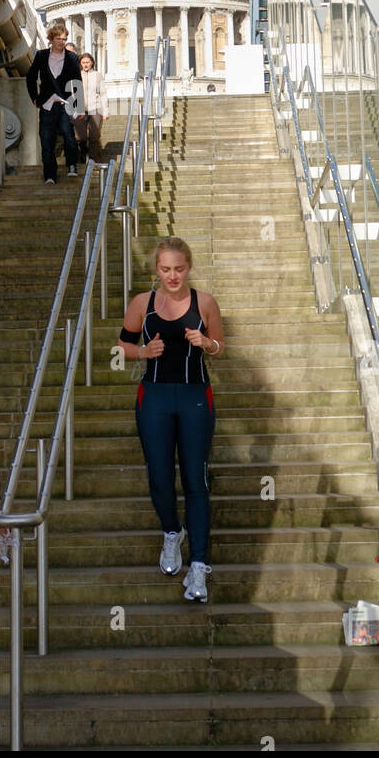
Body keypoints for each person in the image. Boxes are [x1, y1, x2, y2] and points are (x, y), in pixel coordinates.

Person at [117, 237, 224, 602]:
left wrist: (206, 344)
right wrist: (142, 351)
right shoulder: (142, 304)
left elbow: (220, 347)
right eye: (166, 269)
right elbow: (121, 346)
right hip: (155, 397)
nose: (173, 276)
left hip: (196, 396)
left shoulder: (204, 303)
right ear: (156, 270)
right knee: (160, 477)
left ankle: (197, 566)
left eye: (179, 269)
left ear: (188, 267)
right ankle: (171, 532)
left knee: (196, 479)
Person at [25, 21, 82, 185]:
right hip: (46, 103)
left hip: (65, 102)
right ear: (51, 39)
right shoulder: (41, 55)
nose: (61, 41)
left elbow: (77, 82)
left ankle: (72, 165)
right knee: (46, 139)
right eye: (58, 38)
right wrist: (34, 97)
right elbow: (31, 77)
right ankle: (50, 174)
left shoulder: (72, 57)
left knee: (69, 135)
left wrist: (79, 107)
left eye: (64, 39)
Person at [73, 51, 108, 164]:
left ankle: (94, 161)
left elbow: (103, 93)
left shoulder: (98, 75)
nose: (85, 65)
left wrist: (105, 111)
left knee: (94, 136)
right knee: (80, 137)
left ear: (92, 62)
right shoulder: (77, 74)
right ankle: (82, 154)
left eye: (88, 62)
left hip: (96, 108)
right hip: (80, 109)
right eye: (83, 62)